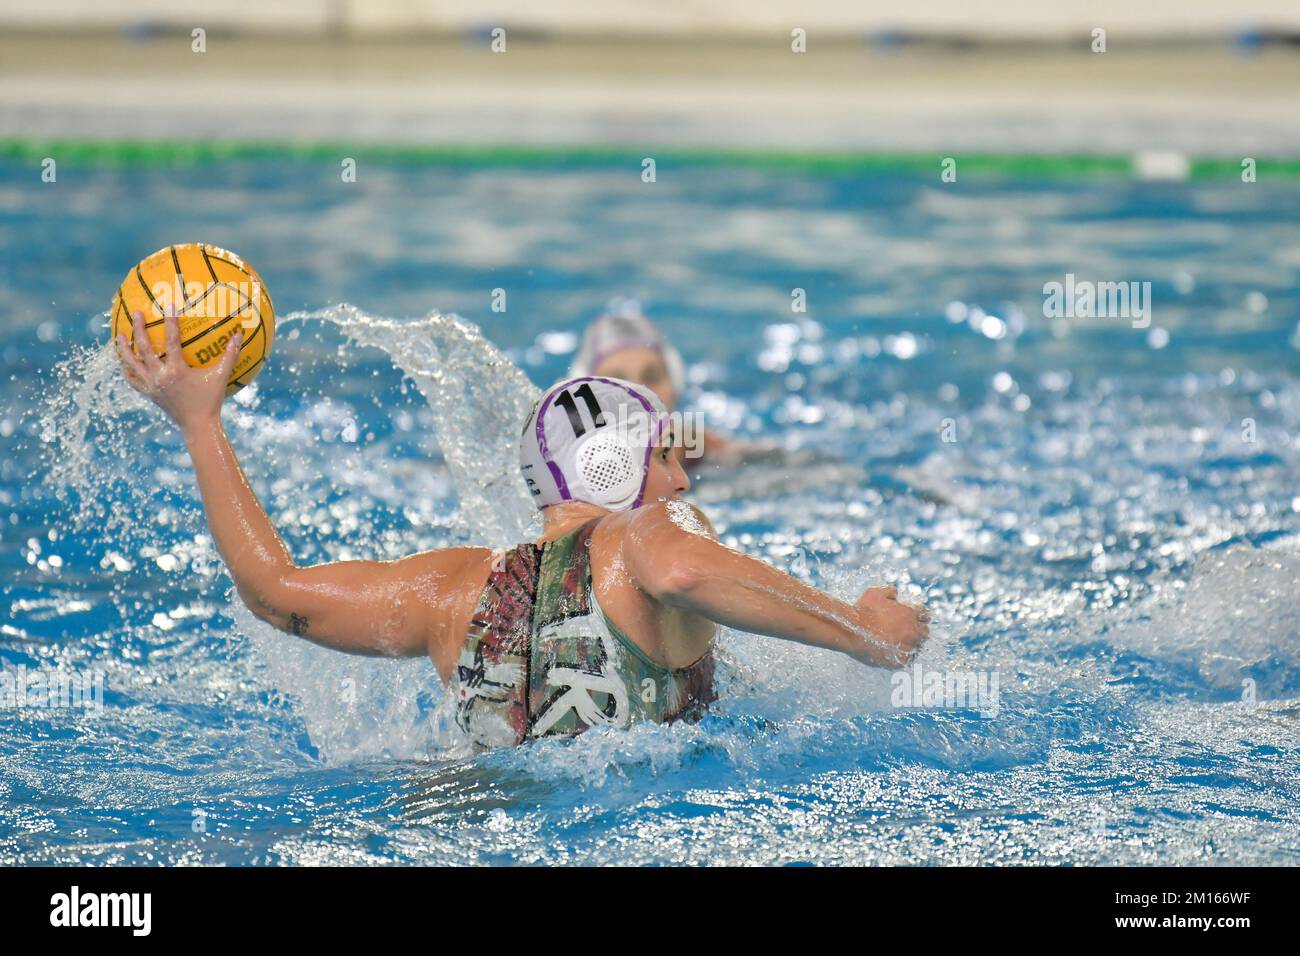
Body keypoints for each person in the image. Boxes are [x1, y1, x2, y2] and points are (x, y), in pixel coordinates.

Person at [114, 309, 930, 748]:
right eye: (663, 457)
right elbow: (684, 570)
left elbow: (274, 592)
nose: (681, 477)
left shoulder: (449, 589)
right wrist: (862, 630)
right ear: (612, 467)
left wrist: (199, 423)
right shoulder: (649, 529)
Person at [570, 298, 742, 468]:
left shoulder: (707, 451)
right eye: (616, 383)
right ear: (587, 403)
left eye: (652, 377)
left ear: (675, 387)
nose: (638, 395)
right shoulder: (569, 471)